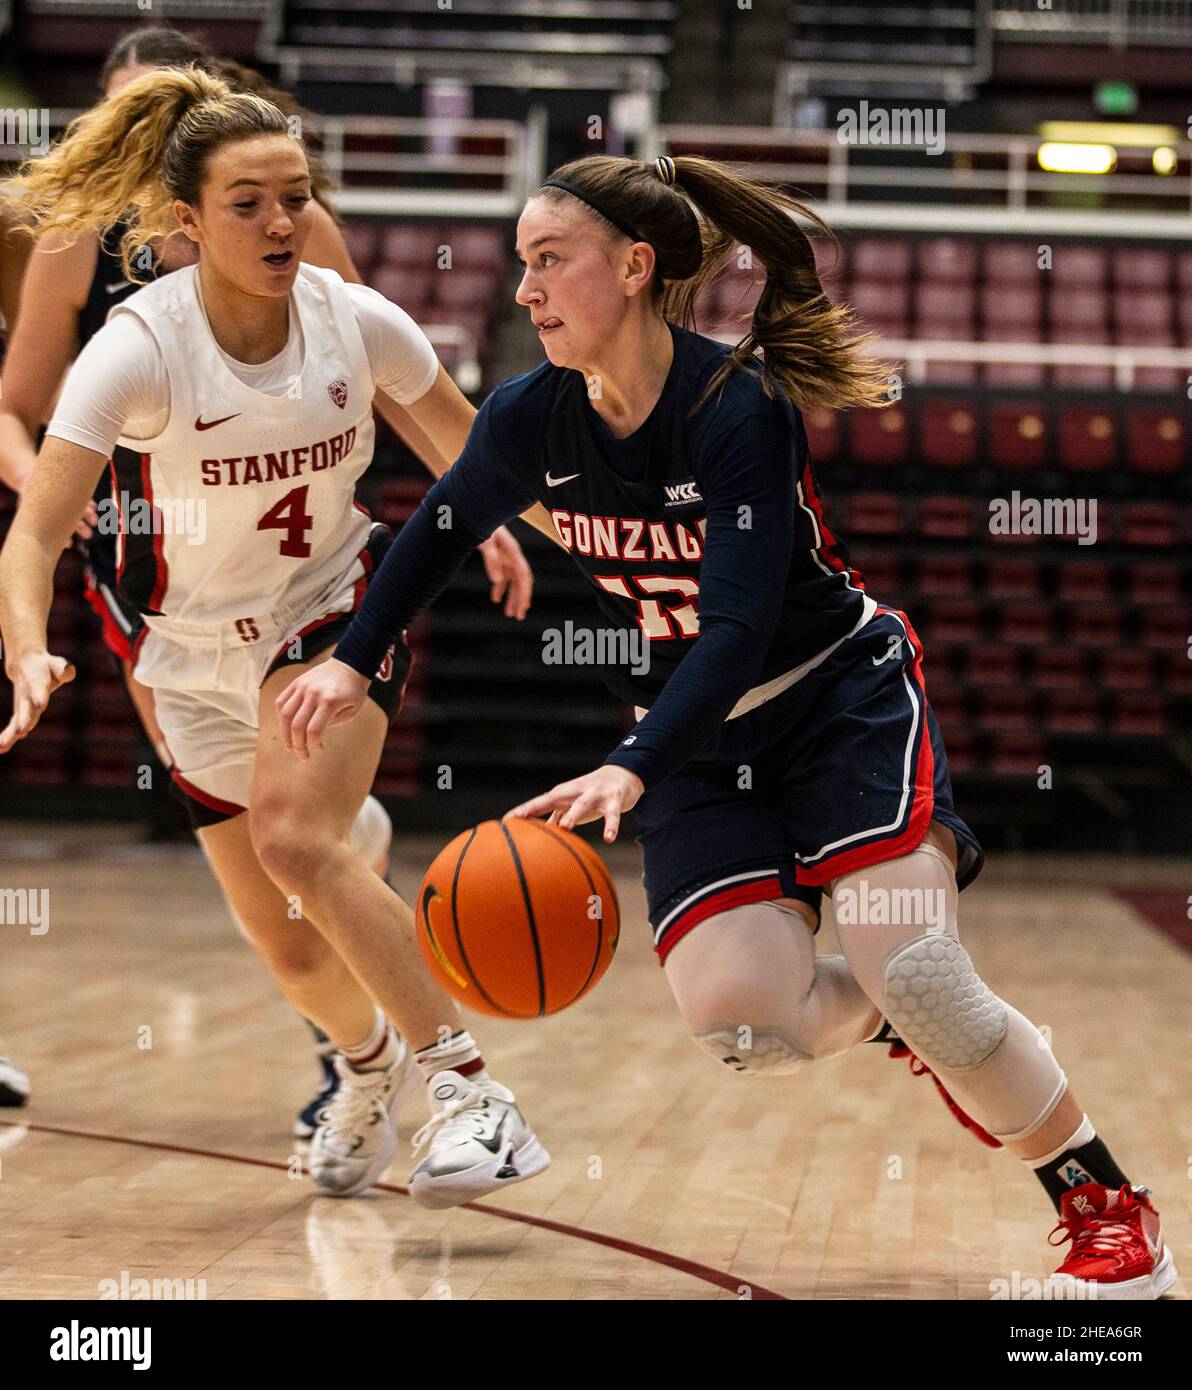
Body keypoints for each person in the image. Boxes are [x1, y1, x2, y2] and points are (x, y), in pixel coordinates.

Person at [278, 153, 1176, 1298]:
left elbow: (743, 625)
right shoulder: (528, 414)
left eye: (548, 262)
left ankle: (1108, 1214)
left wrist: (633, 763)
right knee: (745, 1023)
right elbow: (439, 527)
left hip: (835, 704)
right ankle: (909, 1017)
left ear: (636, 266)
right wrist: (353, 662)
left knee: (925, 972)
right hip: (697, 745)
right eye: (519, 266)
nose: (523, 292)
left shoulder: (732, 406)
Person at [0, 66, 554, 1206]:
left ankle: (473, 1097)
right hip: (189, 652)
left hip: (334, 607)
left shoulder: (356, 321)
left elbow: (483, 461)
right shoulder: (137, 347)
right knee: (292, 944)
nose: (280, 221)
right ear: (182, 223)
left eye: (294, 196)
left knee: (299, 841)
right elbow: (35, 533)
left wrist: (645, 556)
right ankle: (367, 1069)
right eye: (247, 202)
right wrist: (24, 645)